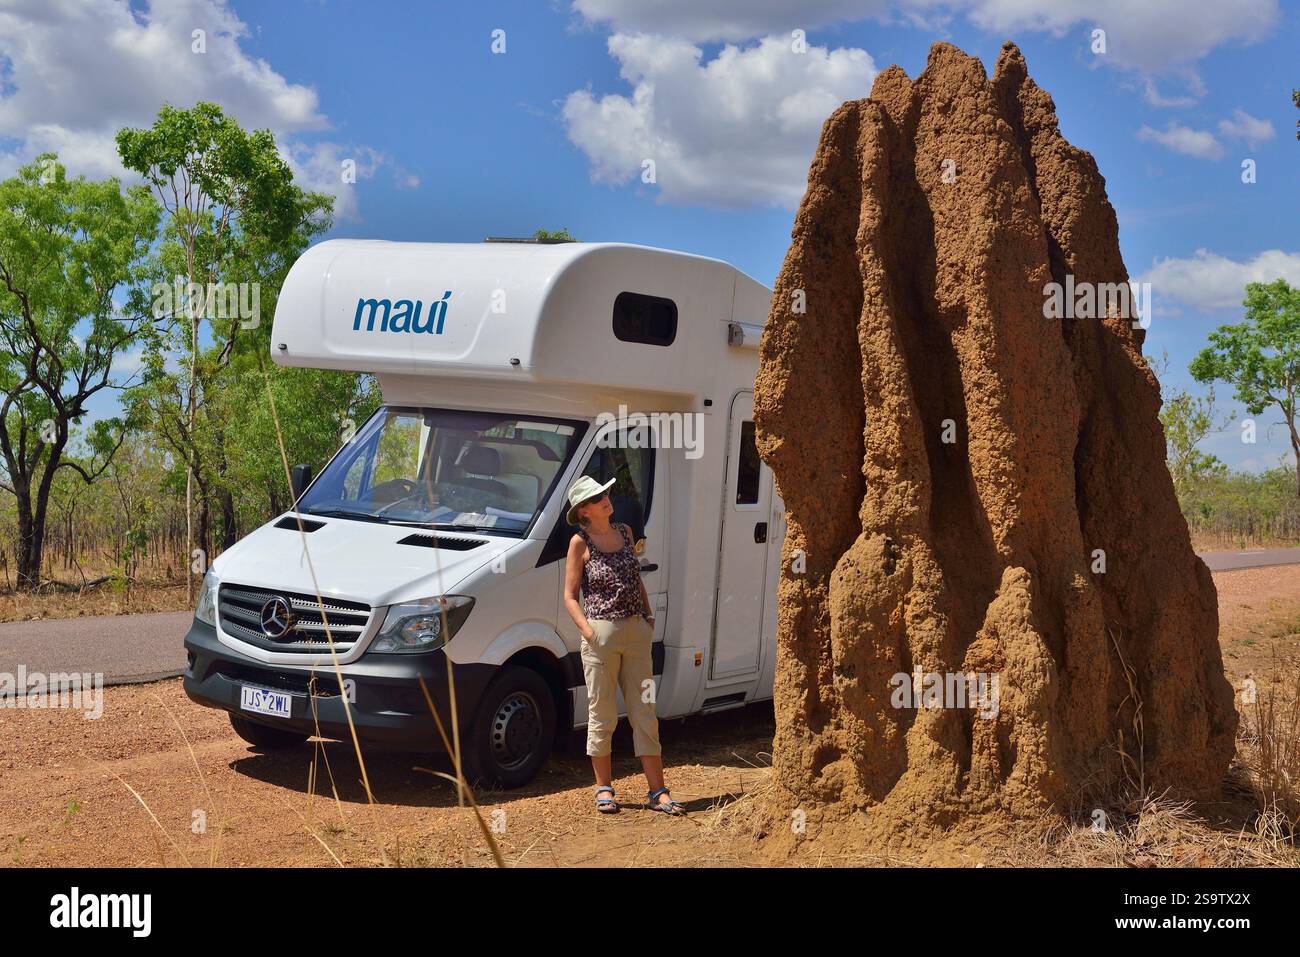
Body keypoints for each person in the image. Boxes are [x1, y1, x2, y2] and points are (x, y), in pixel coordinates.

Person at [563, 475, 686, 815]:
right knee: (602, 714)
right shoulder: (579, 542)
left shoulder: (626, 532)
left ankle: (658, 791)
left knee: (645, 711)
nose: (606, 498)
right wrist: (589, 633)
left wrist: (648, 618)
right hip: (601, 638)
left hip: (636, 636)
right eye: (597, 497)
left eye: (605, 493)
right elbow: (570, 597)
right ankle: (604, 788)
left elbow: (636, 579)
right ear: (584, 510)